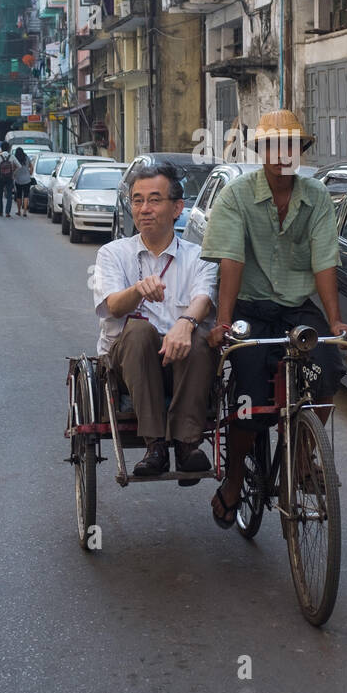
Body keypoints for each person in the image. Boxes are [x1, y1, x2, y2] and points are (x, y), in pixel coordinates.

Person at [201, 109, 347, 529]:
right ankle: (234, 480)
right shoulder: (236, 195)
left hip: (296, 308)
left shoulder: (317, 196)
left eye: (290, 146)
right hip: (249, 307)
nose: (281, 154)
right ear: (261, 151)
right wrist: (225, 322)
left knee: (329, 365)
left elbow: (325, 261)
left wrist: (335, 321)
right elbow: (231, 261)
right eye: (272, 146)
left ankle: (301, 455)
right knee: (249, 395)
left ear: (299, 151)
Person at [92, 162, 218, 480]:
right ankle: (156, 445)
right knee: (138, 331)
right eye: (138, 200)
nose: (144, 209)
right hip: (129, 364)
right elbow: (113, 305)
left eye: (154, 200)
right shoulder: (112, 253)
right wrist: (137, 290)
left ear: (177, 208)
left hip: (184, 363)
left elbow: (204, 298)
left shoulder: (199, 256)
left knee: (198, 336)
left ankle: (187, 445)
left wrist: (185, 324)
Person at [0, 143, 15, 217]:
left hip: (0, 178)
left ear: (1, 149)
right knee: (9, 196)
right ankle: (7, 212)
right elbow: (19, 166)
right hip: (9, 178)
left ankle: (0, 212)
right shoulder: (12, 156)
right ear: (8, 148)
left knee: (0, 196)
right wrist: (13, 174)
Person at [12, 146, 34, 216]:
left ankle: (19, 211)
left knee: (19, 196)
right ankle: (24, 211)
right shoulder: (26, 158)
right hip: (27, 180)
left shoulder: (15, 159)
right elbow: (31, 166)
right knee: (26, 196)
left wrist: (14, 175)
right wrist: (30, 173)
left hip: (18, 180)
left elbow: (13, 168)